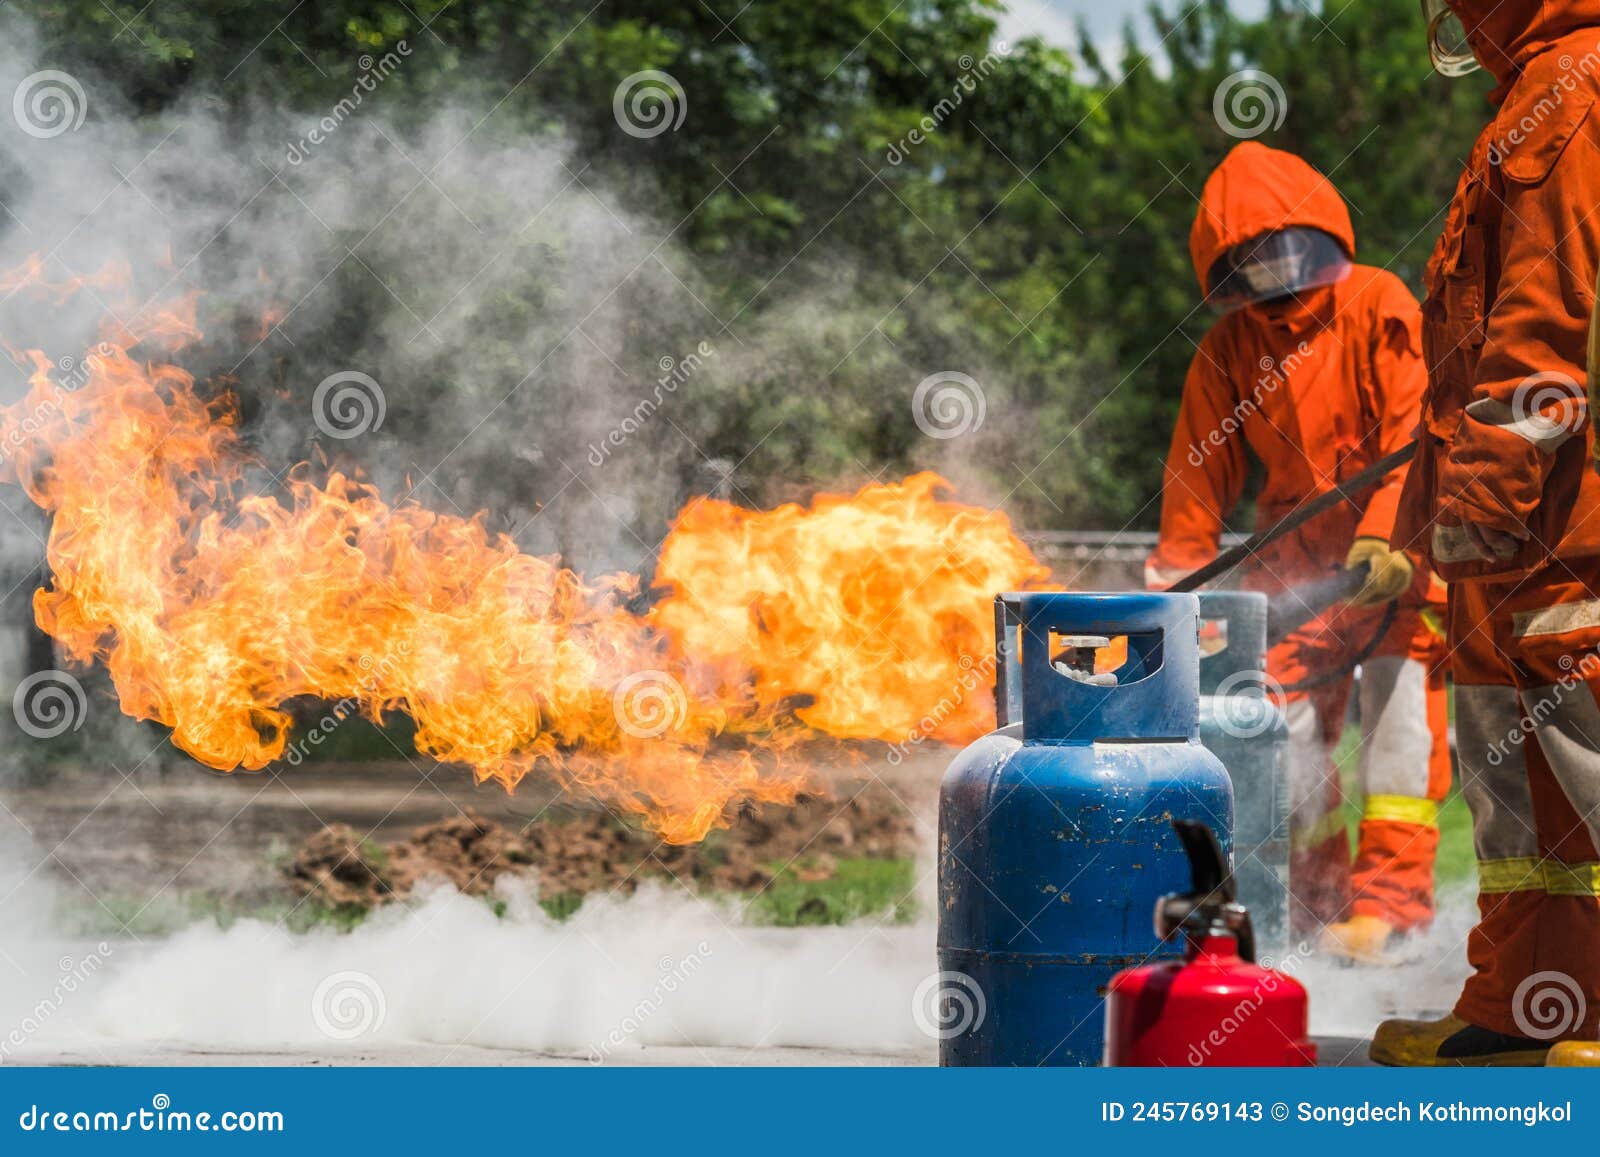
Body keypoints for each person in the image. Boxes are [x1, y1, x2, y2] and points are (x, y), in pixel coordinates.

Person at [1147, 142, 1451, 961]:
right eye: (1255, 256)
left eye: (1288, 246)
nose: (1277, 269)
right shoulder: (1227, 352)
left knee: (1398, 736)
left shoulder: (1381, 304)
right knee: (1277, 736)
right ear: (1227, 268)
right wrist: (1179, 593)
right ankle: (1315, 903)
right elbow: (1195, 481)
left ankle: (1392, 910)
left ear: (1325, 234)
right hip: (1291, 573)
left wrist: (1386, 536)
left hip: (1396, 561)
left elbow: (1413, 437)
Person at [1375, 0, 1600, 1066]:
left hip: (1563, 507)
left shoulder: (1579, 85)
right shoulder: (1528, 94)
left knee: (1586, 754)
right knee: (1517, 780)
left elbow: (1545, 317)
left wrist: (1488, 494)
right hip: (1509, 516)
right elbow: (1464, 356)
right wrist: (1438, 517)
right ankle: (1526, 1001)